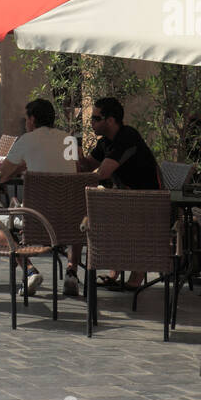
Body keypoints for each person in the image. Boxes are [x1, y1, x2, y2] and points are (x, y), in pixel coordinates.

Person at [0, 98, 78, 297]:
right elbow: (73, 171)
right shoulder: (69, 140)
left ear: (32, 119)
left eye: (26, 119)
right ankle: (71, 272)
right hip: (69, 221)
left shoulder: (27, 139)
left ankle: (30, 270)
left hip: (36, 222)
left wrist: (20, 167)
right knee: (80, 213)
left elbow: (2, 175)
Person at [78, 96, 161, 290]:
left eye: (95, 118)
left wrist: (83, 177)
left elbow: (103, 172)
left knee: (110, 215)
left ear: (110, 120)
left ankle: (137, 276)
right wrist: (77, 156)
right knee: (102, 215)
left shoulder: (127, 137)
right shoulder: (106, 141)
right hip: (128, 198)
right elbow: (89, 164)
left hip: (149, 199)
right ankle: (115, 272)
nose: (91, 123)